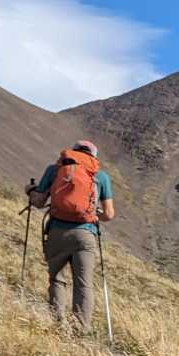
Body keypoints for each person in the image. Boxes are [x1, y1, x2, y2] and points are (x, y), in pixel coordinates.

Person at [27, 140, 114, 332]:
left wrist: (30, 191)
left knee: (57, 279)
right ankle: (80, 331)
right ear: (93, 156)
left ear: (72, 153)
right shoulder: (100, 176)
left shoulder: (55, 170)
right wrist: (91, 211)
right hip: (85, 235)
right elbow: (109, 214)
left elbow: (40, 202)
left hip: (57, 232)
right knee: (84, 284)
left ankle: (58, 326)